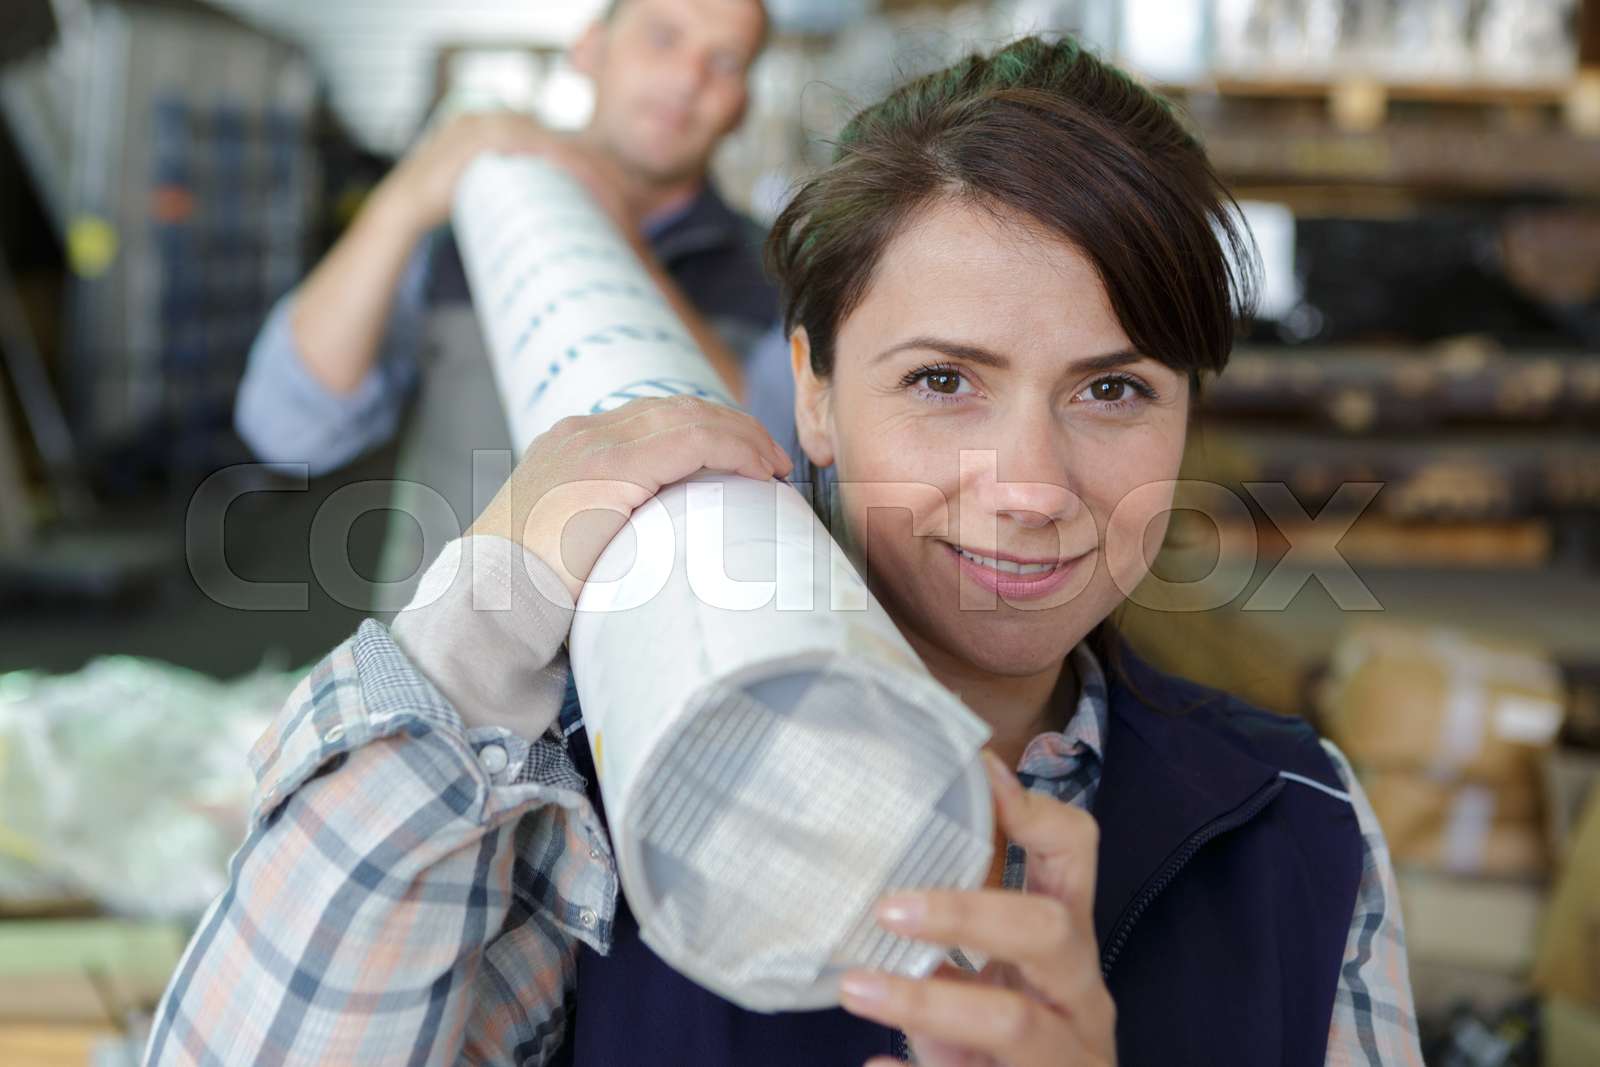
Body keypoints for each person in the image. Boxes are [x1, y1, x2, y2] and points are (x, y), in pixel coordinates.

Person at [145, 36, 1424, 1067]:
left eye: (1113, 391)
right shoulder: (574, 802)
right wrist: (463, 651)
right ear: (807, 393)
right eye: (941, 380)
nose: (1033, 489)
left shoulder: (1290, 823)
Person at [233, 0, 778, 611]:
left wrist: (615, 236)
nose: (687, 78)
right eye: (662, 37)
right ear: (590, 50)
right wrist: (405, 199)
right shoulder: (470, 223)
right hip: (440, 673)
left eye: (724, 61)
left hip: (661, 677)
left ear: (742, 105)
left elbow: (784, 459)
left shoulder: (780, 274)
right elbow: (289, 427)